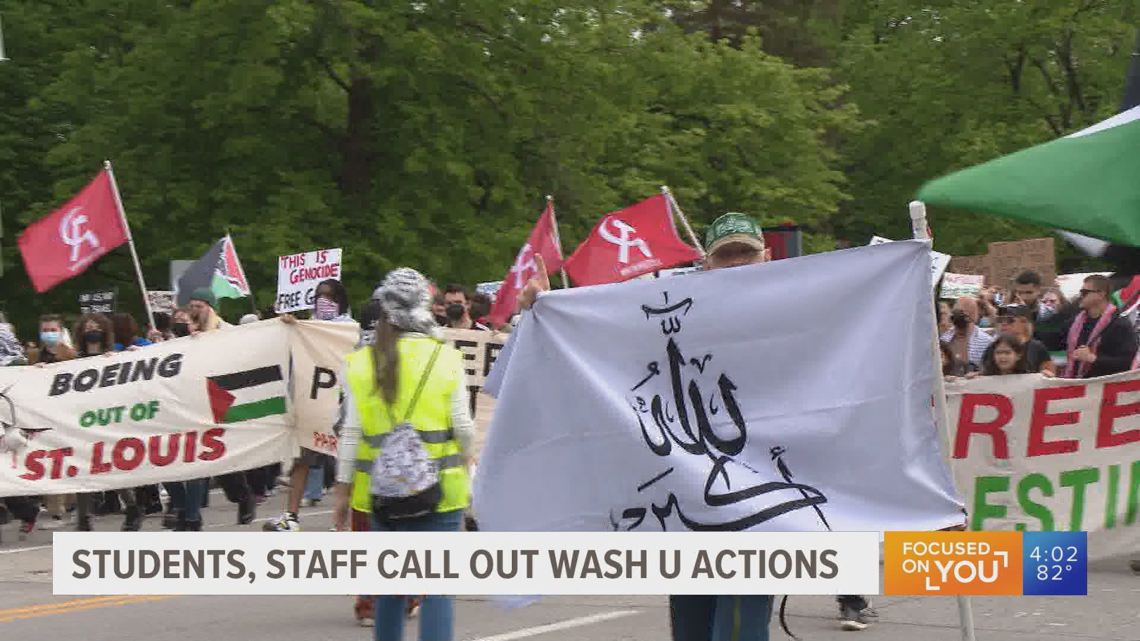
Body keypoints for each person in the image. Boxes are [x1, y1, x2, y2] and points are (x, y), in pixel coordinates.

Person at [520, 212, 827, 640]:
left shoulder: (797, 313)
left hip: (758, 514)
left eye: (746, 253)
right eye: (726, 256)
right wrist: (547, 312)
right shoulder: (669, 317)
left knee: (739, 631)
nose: (737, 263)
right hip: (689, 511)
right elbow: (595, 354)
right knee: (691, 632)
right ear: (706, 264)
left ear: (767, 256)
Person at [334, 268, 474, 641]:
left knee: (391, 588)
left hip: (381, 494)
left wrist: (342, 491)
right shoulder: (445, 357)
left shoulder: (361, 362)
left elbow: (350, 432)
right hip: (441, 493)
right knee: (437, 589)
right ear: (426, 307)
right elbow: (463, 427)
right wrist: (468, 464)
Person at [265, 279, 356, 532]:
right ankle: (291, 516)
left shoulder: (348, 328)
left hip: (342, 404)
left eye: (328, 297)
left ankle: (342, 522)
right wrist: (288, 325)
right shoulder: (308, 326)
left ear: (340, 300)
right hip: (314, 404)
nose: (321, 302)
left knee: (344, 466)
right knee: (301, 461)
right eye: (317, 296)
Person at [187, 288, 256, 525]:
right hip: (193, 400)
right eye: (192, 306)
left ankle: (243, 496)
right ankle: (190, 512)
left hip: (220, 397)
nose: (195, 311)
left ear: (210, 307)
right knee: (201, 453)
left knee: (223, 454)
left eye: (200, 306)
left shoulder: (225, 331)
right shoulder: (184, 333)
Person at [72, 313, 142, 532]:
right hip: (81, 421)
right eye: (87, 327)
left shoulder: (114, 357)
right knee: (82, 469)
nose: (91, 330)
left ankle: (132, 507)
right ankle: (84, 518)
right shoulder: (74, 361)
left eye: (95, 326)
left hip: (108, 420)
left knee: (111, 466)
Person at [1063, 275, 1139, 378]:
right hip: (1076, 383)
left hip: (1105, 386)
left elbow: (1127, 362)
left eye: (1084, 292)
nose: (1081, 296)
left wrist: (1093, 359)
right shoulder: (1074, 322)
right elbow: (1055, 343)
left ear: (1101, 294)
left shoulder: (1119, 324)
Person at [994, 305, 1055, 376]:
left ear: (1024, 322)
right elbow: (986, 372)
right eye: (1000, 320)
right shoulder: (993, 346)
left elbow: (1051, 376)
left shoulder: (1037, 347)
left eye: (1009, 320)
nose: (1003, 324)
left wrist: (1047, 374)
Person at [940, 297, 993, 373]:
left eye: (960, 312)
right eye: (954, 312)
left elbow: (990, 370)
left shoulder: (986, 342)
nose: (955, 316)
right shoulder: (944, 338)